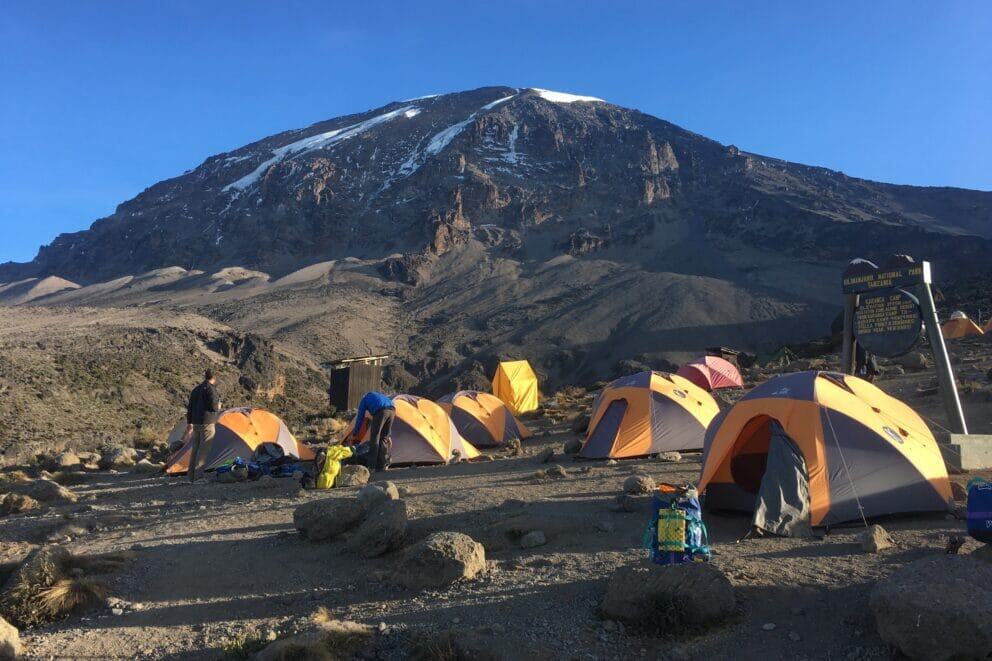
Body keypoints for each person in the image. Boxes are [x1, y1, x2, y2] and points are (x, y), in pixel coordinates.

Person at [185, 369, 222, 483]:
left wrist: (190, 422)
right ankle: (198, 477)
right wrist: (219, 405)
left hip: (196, 423)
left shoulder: (196, 389)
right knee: (203, 450)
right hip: (207, 423)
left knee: (195, 449)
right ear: (214, 378)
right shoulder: (211, 389)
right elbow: (214, 407)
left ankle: (191, 477)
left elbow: (190, 407)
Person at [345, 391, 395, 474]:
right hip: (392, 410)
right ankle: (381, 466)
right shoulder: (378, 396)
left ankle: (371, 467)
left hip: (381, 411)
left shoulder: (364, 400)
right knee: (384, 439)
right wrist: (388, 435)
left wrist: (354, 434)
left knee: (374, 439)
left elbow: (360, 418)